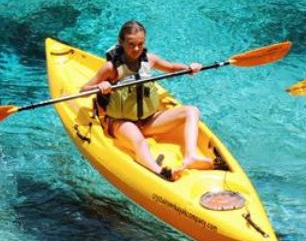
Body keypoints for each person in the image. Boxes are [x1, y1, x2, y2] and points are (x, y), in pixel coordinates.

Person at [79, 20, 215, 180]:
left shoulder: (150, 59)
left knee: (192, 111)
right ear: (120, 42)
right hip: (121, 123)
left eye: (140, 44)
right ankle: (159, 172)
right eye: (131, 44)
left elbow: (171, 67)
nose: (136, 49)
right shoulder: (111, 68)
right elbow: (83, 91)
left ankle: (191, 156)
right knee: (141, 142)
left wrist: (189, 68)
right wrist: (100, 86)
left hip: (149, 120)